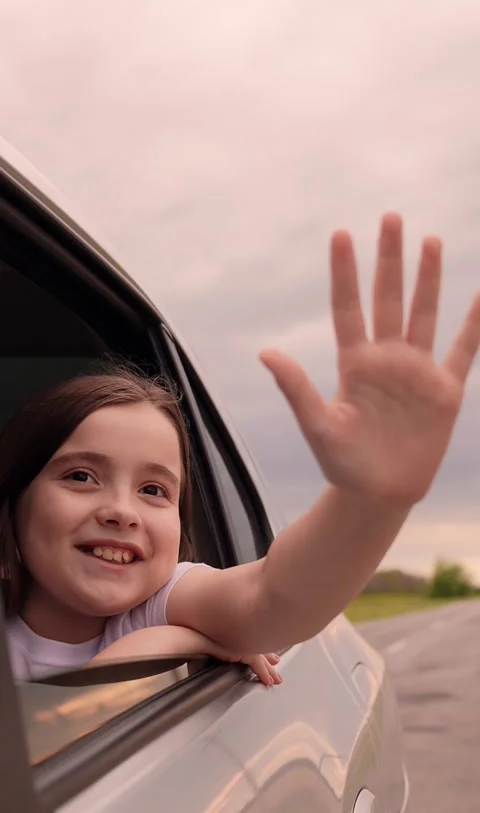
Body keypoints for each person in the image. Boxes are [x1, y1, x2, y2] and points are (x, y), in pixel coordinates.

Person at [2, 213, 479, 684]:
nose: (121, 512)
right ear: (15, 498)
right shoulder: (151, 631)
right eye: (81, 476)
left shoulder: (158, 602)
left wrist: (369, 501)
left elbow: (273, 598)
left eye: (153, 490)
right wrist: (163, 647)